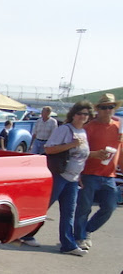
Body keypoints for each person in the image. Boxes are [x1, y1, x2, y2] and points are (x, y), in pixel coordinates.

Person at [41, 100, 108, 256]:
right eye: (79, 113)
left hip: (73, 178)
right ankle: (25, 234)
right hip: (59, 175)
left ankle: (68, 245)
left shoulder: (83, 132)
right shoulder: (64, 129)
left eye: (86, 114)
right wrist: (72, 144)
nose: (82, 116)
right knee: (43, 207)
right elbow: (49, 149)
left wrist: (94, 156)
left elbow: (81, 156)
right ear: (73, 114)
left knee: (69, 212)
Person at [73, 93, 122, 250]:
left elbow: (121, 151)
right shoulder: (89, 128)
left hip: (109, 176)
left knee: (110, 207)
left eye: (110, 107)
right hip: (89, 174)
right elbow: (78, 151)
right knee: (84, 208)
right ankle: (79, 237)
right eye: (103, 107)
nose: (107, 110)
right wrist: (79, 173)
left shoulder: (119, 127)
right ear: (98, 109)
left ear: (114, 108)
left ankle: (86, 230)